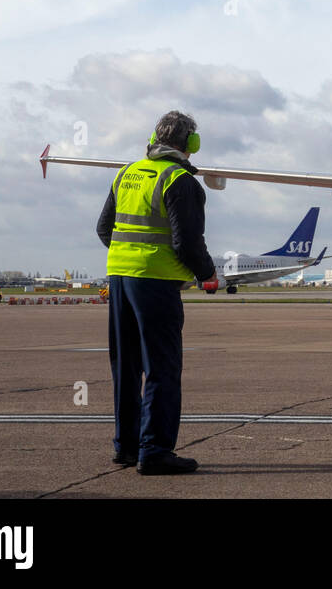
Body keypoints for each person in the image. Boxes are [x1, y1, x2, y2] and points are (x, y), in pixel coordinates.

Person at [96, 110, 216, 475]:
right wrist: (207, 274)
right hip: (156, 286)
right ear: (191, 144)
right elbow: (187, 243)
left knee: (127, 367)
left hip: (118, 279)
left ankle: (126, 447)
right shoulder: (179, 180)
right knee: (162, 368)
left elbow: (104, 229)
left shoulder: (126, 173)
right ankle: (155, 451)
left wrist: (128, 258)